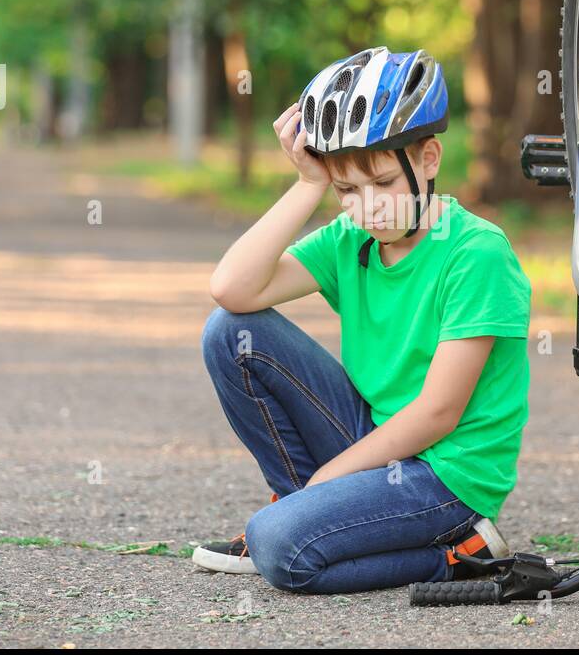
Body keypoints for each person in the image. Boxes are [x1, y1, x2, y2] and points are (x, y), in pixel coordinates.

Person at [196, 46, 532, 595]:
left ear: (427, 159)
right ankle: (309, 513)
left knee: (279, 549)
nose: (368, 207)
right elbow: (233, 289)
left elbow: (438, 413)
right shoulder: (352, 238)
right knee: (231, 333)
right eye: (347, 190)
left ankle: (458, 553)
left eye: (382, 183)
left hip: (444, 475)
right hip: (374, 436)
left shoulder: (476, 253)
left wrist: (329, 478)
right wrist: (308, 185)